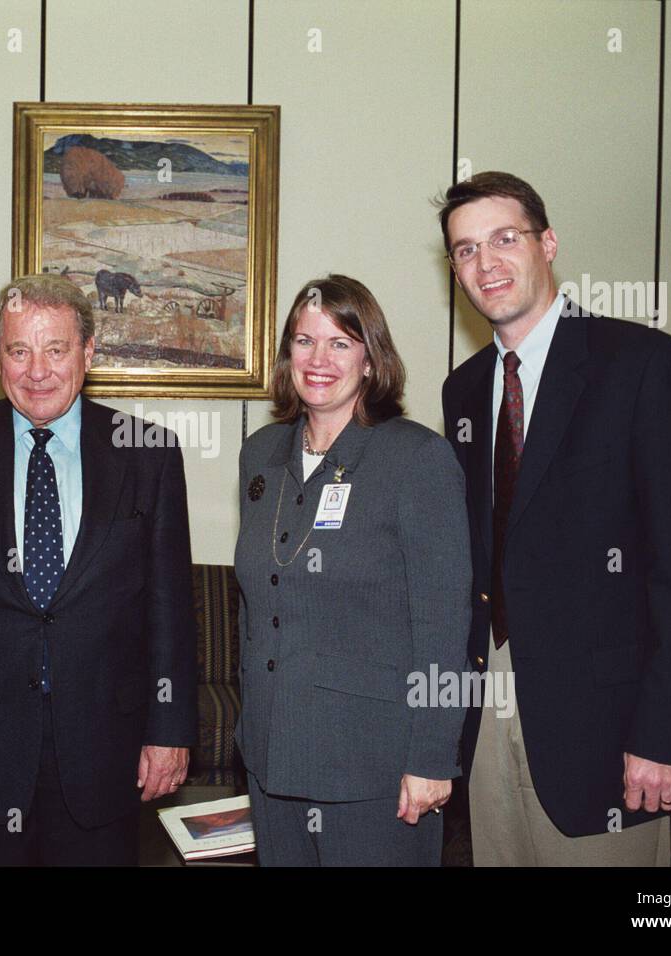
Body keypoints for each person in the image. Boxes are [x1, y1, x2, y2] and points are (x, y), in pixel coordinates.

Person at [437, 171, 671, 865]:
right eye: (464, 250)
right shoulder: (463, 389)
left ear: (548, 244)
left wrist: (668, 736)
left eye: (504, 238)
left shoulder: (643, 366)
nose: (485, 263)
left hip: (614, 732)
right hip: (493, 712)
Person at [0, 273, 197, 866]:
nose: (38, 371)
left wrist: (170, 731)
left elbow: (170, 609)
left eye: (56, 349)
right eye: (19, 350)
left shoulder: (149, 452)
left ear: (88, 352)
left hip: (105, 752)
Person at [234, 274, 471, 866]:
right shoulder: (260, 454)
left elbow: (444, 622)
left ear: (371, 360)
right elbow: (258, 601)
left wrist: (431, 758)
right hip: (269, 755)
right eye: (303, 341)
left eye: (340, 343)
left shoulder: (416, 459)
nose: (319, 360)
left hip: (373, 767)